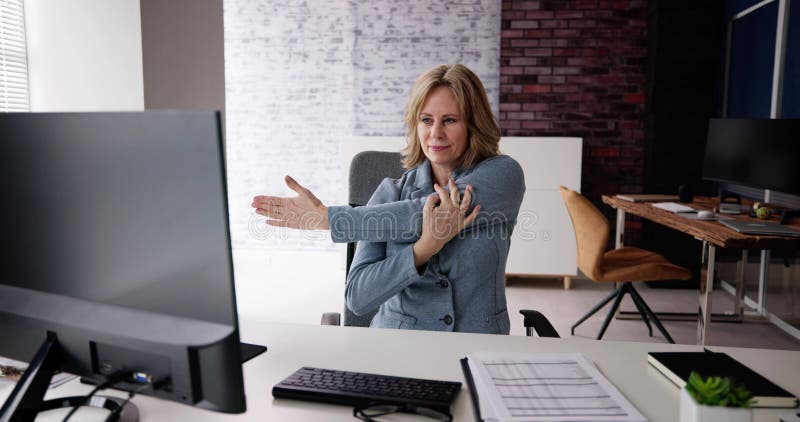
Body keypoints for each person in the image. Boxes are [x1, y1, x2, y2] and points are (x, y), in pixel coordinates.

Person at [251, 64, 524, 334]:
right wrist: (422, 251)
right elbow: (358, 297)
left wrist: (330, 220)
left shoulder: (502, 175)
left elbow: (434, 210)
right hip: (398, 345)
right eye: (426, 120)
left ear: (474, 124)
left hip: (474, 346)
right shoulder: (389, 194)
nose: (435, 133)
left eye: (450, 120)